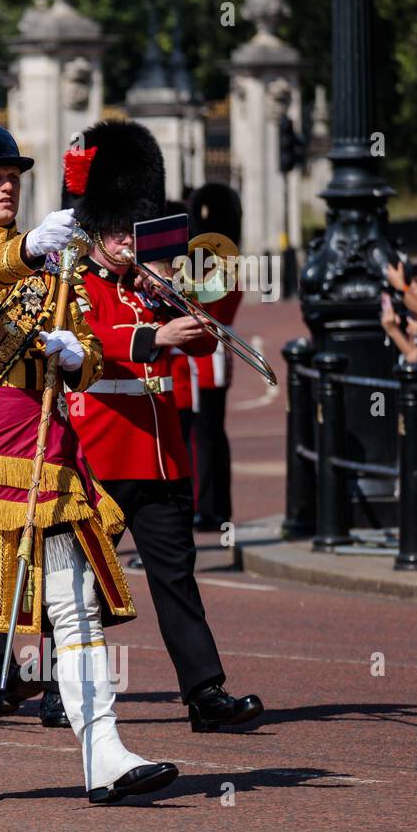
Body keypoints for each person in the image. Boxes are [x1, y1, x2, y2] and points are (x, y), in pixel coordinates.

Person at [0, 120, 177, 805]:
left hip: (46, 455)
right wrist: (27, 250)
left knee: (75, 611)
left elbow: (85, 357)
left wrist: (75, 355)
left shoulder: (60, 265)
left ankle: (103, 750)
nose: (6, 186)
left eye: (14, 177)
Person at [63, 120, 264, 733]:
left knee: (176, 578)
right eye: (118, 229)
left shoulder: (153, 286)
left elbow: (205, 343)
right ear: (96, 225)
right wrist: (154, 335)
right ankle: (55, 686)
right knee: (82, 583)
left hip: (162, 453)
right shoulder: (71, 284)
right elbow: (84, 339)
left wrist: (198, 295)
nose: (128, 240)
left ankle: (205, 692)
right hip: (102, 450)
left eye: (133, 228)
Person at [187, 183, 245, 531]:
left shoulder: (215, 269)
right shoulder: (224, 263)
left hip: (209, 357)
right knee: (211, 434)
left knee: (204, 435)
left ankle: (208, 506)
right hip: (215, 355)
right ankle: (214, 505)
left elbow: (204, 306)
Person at [381, 260, 417, 365]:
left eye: (416, 282)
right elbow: (413, 358)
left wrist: (401, 287)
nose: (410, 288)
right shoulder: (409, 319)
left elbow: (415, 361)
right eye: (408, 283)